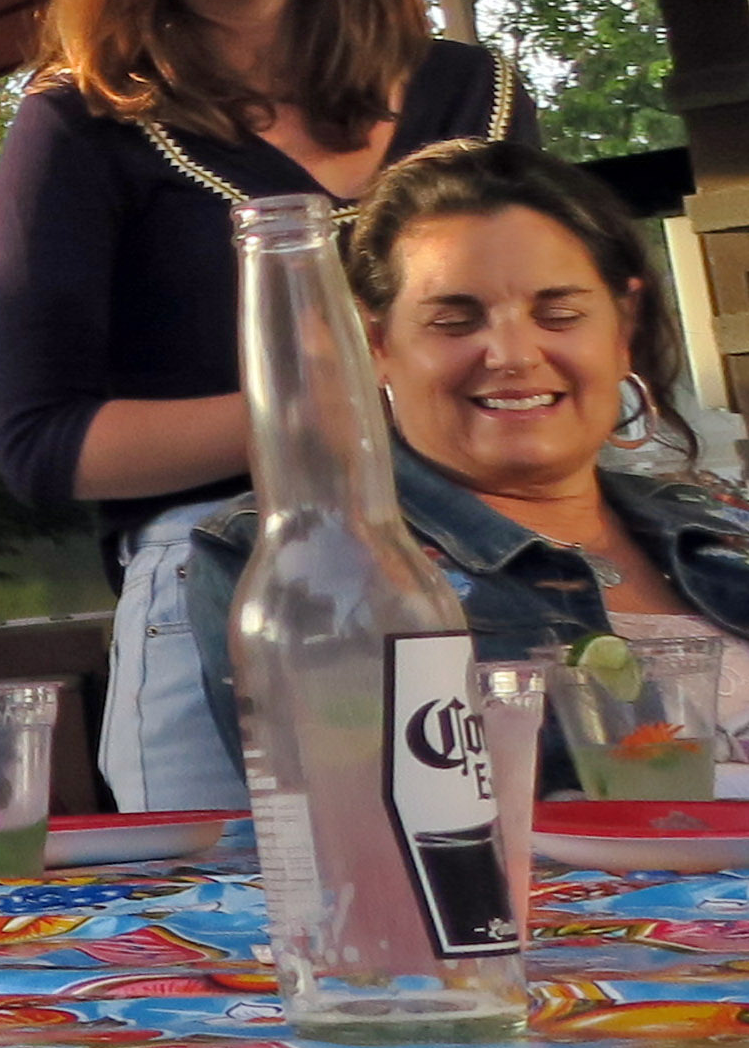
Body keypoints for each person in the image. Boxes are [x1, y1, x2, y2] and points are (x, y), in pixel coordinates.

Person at [0, 0, 526, 812]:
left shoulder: (476, 93)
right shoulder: (78, 124)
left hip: (490, 570)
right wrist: (345, 408)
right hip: (220, 580)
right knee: (238, 955)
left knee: (528, 919)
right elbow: (39, 442)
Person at [177, 141, 748, 793]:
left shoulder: (722, 520)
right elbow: (361, 814)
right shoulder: (313, 554)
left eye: (559, 315)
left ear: (622, 330)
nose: (511, 354)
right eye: (454, 321)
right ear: (377, 346)